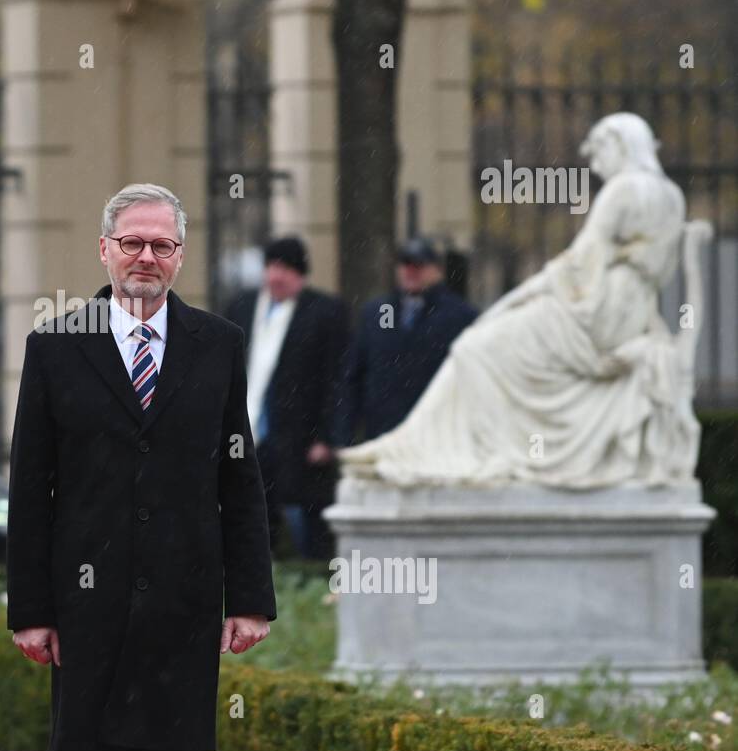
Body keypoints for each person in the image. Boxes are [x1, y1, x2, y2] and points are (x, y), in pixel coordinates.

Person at [7, 182, 276, 751]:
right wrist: (30, 610)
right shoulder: (54, 346)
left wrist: (250, 598)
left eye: (162, 245)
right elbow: (30, 488)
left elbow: (239, 476)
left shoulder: (219, 344)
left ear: (180, 255)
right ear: (104, 249)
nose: (146, 258)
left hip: (186, 604)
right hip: (87, 604)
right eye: (132, 243)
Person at [342, 112, 701, 488]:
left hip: (595, 315)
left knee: (476, 348)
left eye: (598, 153)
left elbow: (580, 264)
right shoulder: (672, 195)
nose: (595, 166)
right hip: (629, 312)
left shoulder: (624, 189)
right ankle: (422, 444)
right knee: (484, 345)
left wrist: (516, 297)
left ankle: (433, 448)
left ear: (620, 144)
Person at [224, 237, 348, 560]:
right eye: (271, 267)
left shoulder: (326, 312)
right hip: (247, 431)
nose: (276, 276)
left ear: (300, 274)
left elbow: (335, 378)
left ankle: (309, 573)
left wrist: (326, 436)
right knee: (251, 509)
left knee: (304, 512)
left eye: (285, 269)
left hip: (299, 436)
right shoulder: (243, 305)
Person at [332, 236, 477, 447]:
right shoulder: (381, 311)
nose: (410, 271)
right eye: (405, 264)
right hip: (383, 435)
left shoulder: (460, 315)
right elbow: (354, 376)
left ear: (437, 270)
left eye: (418, 265)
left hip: (437, 438)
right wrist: (343, 435)